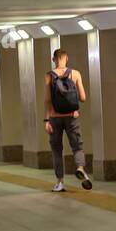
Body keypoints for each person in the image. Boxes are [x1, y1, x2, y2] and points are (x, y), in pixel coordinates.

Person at [44, 48, 92, 192]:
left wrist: (46, 120)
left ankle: (60, 182)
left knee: (57, 150)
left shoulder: (49, 76)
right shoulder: (75, 73)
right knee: (77, 146)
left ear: (54, 59)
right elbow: (83, 98)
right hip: (72, 117)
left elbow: (47, 99)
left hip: (54, 118)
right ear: (67, 58)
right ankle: (80, 168)